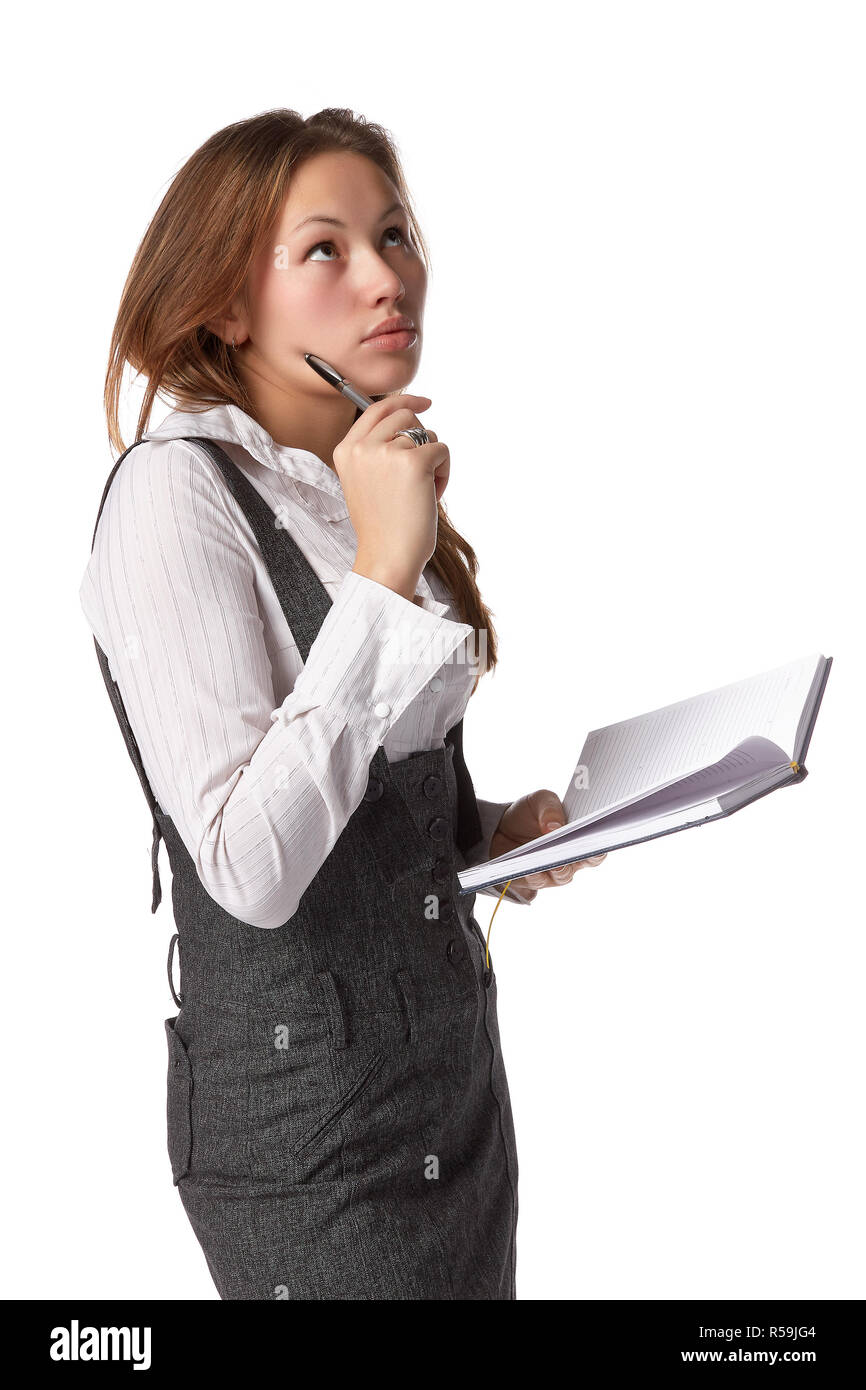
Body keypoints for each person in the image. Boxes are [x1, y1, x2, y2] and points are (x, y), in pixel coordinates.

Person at [79, 107, 605, 1300]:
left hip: (454, 1096)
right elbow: (250, 866)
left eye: (396, 233)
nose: (386, 275)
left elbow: (356, 800)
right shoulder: (175, 495)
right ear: (223, 301)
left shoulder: (352, 484)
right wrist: (378, 567)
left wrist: (486, 840)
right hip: (311, 1135)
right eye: (325, 249)